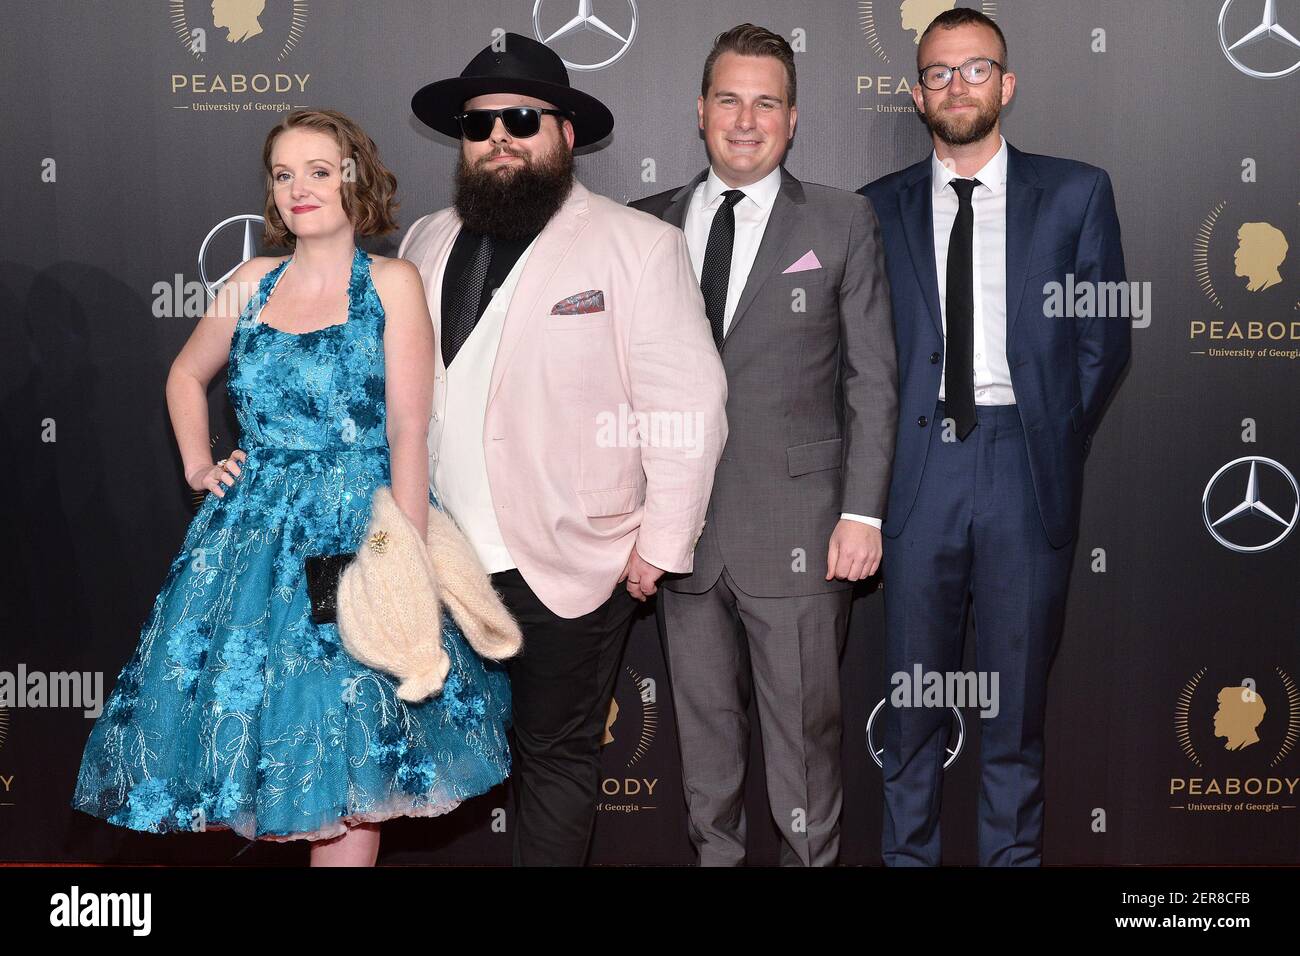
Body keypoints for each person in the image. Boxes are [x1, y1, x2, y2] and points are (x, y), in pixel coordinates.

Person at [71, 108, 513, 866]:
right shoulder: (249, 281)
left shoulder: (393, 282)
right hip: (253, 543)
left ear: (354, 179)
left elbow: (410, 428)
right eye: (283, 175)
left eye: (318, 170)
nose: (299, 188)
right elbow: (184, 373)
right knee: (263, 733)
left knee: (358, 749)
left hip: (358, 529)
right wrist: (198, 463)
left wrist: (399, 553)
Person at [401, 33, 728, 866]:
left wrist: (660, 546)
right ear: (462, 140)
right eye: (481, 125)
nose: (500, 137)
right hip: (439, 557)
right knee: (420, 763)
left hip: (573, 561)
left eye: (522, 118)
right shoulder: (422, 244)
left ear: (566, 134)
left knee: (555, 762)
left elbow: (687, 406)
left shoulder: (636, 246)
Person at [859, 8, 1130, 866]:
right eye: (939, 72)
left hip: (1024, 465)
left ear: (1006, 85)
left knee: (1014, 711)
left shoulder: (1078, 191)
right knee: (911, 710)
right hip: (917, 470)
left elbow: (1104, 338)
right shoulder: (875, 209)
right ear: (916, 94)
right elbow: (863, 356)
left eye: (976, 69)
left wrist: (1046, 435)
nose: (957, 85)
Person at [631, 24, 898, 866]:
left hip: (802, 531)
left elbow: (872, 381)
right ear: (700, 111)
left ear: (792, 119)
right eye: (729, 100)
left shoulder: (843, 220)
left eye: (766, 103)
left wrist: (861, 513)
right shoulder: (645, 227)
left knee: (804, 759)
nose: (745, 120)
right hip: (678, 539)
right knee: (705, 758)